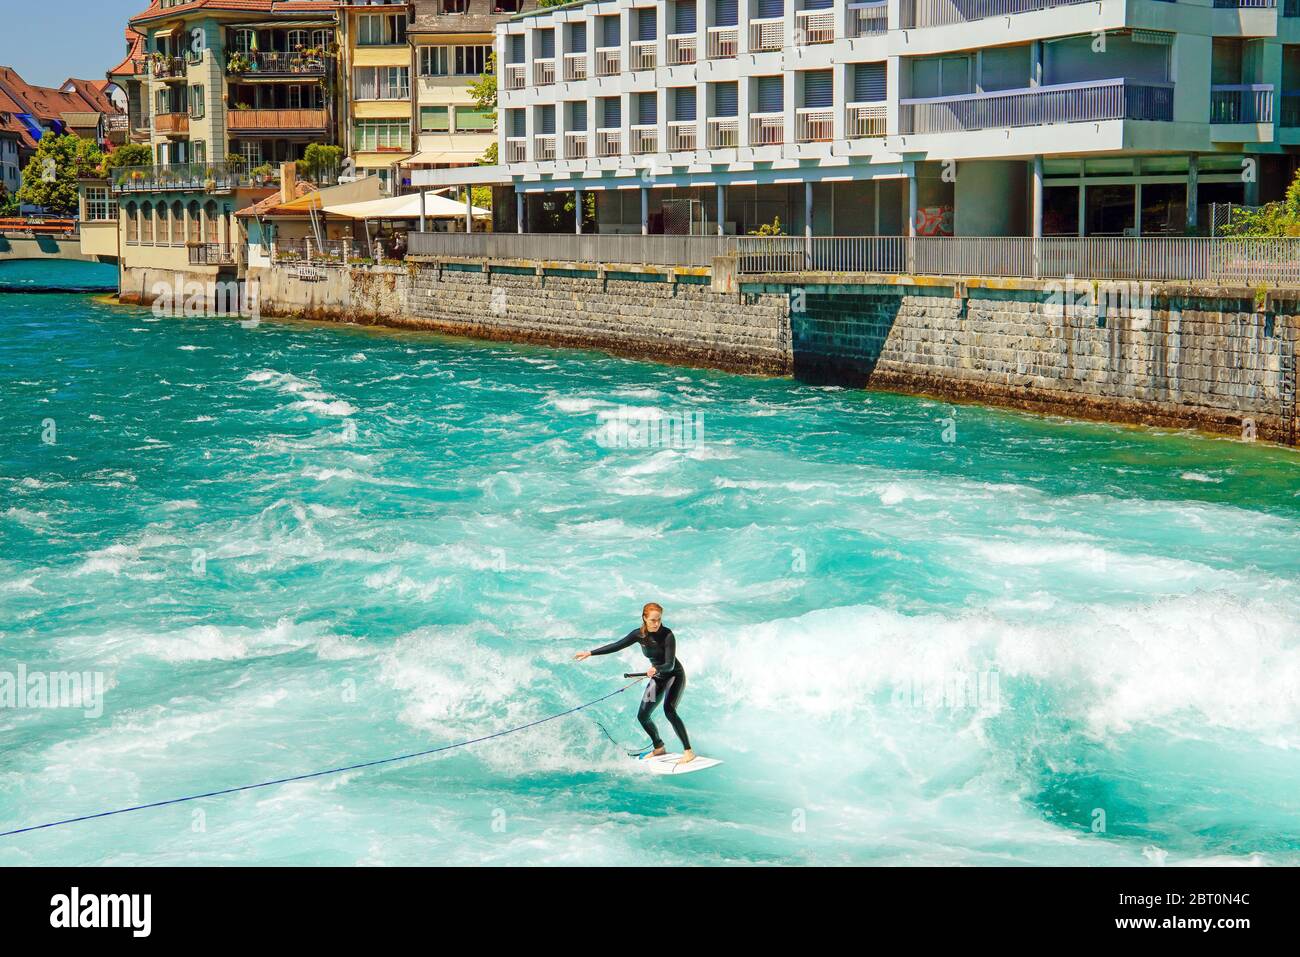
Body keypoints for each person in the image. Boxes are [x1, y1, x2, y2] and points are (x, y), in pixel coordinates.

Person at [575, 602, 695, 764]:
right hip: (658, 677)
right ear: (644, 618)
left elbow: (670, 665)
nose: (656, 623)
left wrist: (656, 668)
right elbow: (616, 646)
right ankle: (659, 747)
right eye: (653, 620)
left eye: (659, 620)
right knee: (643, 716)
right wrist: (590, 653)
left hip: (674, 675)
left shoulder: (667, 635)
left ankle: (688, 751)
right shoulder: (639, 635)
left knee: (669, 710)